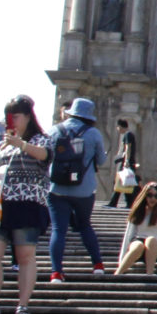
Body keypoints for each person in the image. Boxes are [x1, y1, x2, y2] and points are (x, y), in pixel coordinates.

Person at [0, 96, 52, 314]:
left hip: (27, 202)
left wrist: (20, 144)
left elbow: (45, 156)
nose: (10, 121)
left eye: (15, 116)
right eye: (8, 117)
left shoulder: (41, 139)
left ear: (28, 117)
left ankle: (22, 304)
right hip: (0, 203)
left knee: (25, 254)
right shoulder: (3, 145)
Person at [46, 96, 110, 282]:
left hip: (57, 187)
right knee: (84, 226)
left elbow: (44, 157)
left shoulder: (54, 130)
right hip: (83, 189)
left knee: (58, 230)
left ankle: (56, 272)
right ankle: (97, 264)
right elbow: (101, 161)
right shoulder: (94, 133)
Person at [113, 179, 157, 279]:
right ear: (144, 195)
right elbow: (128, 235)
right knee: (138, 245)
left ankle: (149, 275)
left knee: (151, 240)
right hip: (138, 242)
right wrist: (122, 258)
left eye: (156, 196)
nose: (152, 198)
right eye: (150, 195)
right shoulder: (138, 210)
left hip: (156, 245)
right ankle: (117, 274)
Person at [108, 117, 140, 208]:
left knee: (119, 181)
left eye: (117, 127)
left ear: (120, 126)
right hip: (127, 162)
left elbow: (128, 148)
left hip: (126, 163)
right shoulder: (128, 135)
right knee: (124, 182)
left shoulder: (128, 135)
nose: (117, 129)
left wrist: (126, 161)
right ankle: (128, 203)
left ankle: (114, 202)